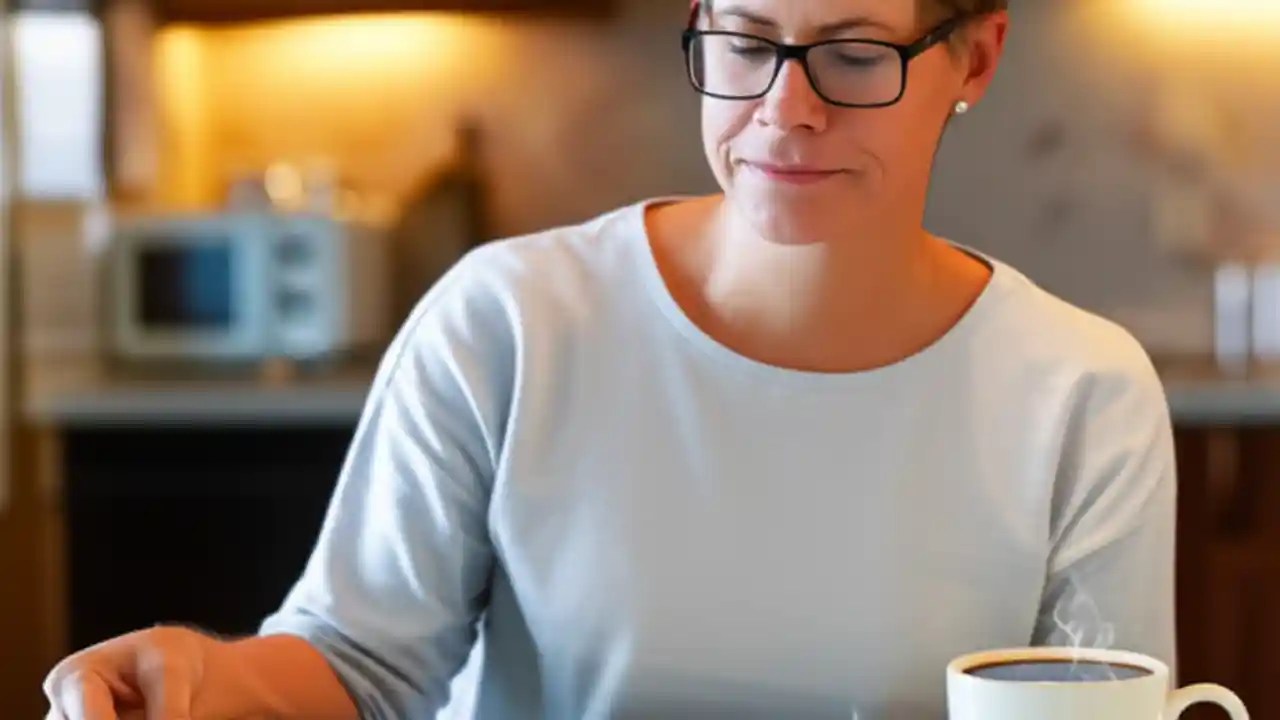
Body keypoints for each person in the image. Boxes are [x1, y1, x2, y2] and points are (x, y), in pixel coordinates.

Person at [44, 0, 1178, 717]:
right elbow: (356, 665)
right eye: (743, 44)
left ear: (973, 57)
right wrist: (193, 681)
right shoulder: (511, 321)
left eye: (848, 54)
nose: (785, 111)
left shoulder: (1080, 394)